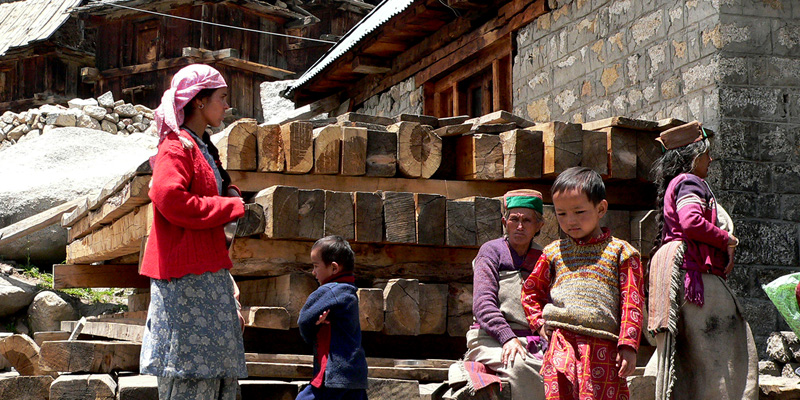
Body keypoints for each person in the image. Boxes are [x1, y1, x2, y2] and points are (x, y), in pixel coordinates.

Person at [138, 64, 247, 400]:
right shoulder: (176, 147)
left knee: (213, 373)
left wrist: (230, 193)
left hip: (203, 275)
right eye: (222, 97)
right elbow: (169, 197)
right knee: (190, 372)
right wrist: (231, 209)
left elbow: (205, 190)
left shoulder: (200, 147)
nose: (227, 106)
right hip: (185, 281)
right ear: (199, 102)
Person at [647, 121, 758, 400]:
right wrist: (727, 240)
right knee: (720, 360)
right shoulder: (689, 182)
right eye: (706, 153)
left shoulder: (676, 183)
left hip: (683, 279)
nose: (710, 159)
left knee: (690, 363)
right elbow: (691, 221)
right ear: (694, 157)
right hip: (697, 283)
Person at [521, 167, 644, 400]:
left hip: (603, 349)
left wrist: (628, 345)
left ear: (601, 209)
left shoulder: (622, 253)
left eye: (579, 211)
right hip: (560, 344)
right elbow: (531, 291)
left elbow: (632, 303)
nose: (571, 221)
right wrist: (538, 324)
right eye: (562, 214)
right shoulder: (553, 252)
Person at [456, 189, 547, 399]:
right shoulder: (491, 251)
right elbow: (483, 305)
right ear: (505, 222)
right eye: (514, 219)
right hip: (491, 339)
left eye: (527, 220)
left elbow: (549, 303)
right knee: (521, 368)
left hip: (532, 339)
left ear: (539, 225)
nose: (520, 226)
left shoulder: (544, 257)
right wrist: (507, 338)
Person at [296, 235, 368, 400]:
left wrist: (314, 327)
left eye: (316, 266)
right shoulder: (350, 291)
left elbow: (304, 319)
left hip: (335, 375)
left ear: (334, 268)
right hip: (355, 375)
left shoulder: (330, 291)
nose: (313, 272)